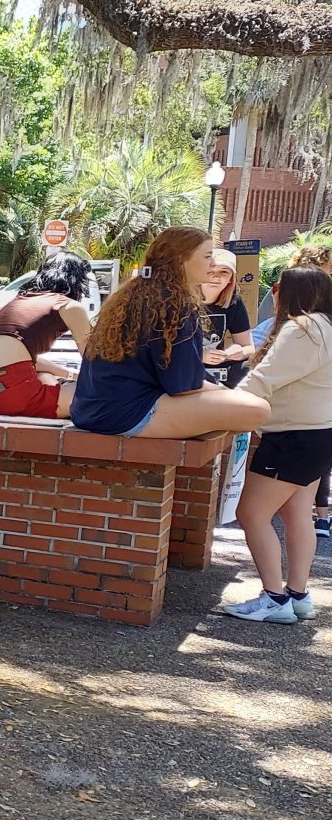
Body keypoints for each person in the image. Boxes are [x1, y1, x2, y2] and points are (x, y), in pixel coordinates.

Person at [70, 227, 267, 439]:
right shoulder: (175, 304)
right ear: (181, 259)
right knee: (258, 408)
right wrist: (228, 394)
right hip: (127, 414)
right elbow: (183, 386)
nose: (213, 264)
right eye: (208, 256)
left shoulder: (135, 292)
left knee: (229, 407)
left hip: (90, 410)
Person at [222, 266, 332, 623]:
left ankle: (274, 599)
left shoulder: (303, 328)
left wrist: (220, 407)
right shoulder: (326, 326)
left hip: (292, 437)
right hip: (318, 435)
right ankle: (297, 595)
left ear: (286, 291)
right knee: (297, 513)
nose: (274, 294)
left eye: (277, 288)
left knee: (251, 514)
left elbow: (262, 379)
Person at [0, 252, 95, 418]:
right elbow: (95, 362)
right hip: (16, 397)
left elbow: (18, 362)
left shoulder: (20, 300)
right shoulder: (69, 306)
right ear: (78, 281)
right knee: (101, 395)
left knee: (46, 376)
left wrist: (70, 375)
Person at [198, 250, 255, 387]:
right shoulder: (181, 302)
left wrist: (238, 352)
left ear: (231, 278)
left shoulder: (234, 302)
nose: (216, 277)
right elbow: (165, 352)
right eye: (210, 271)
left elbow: (248, 347)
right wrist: (199, 355)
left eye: (224, 272)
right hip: (188, 364)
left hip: (218, 364)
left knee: (251, 366)